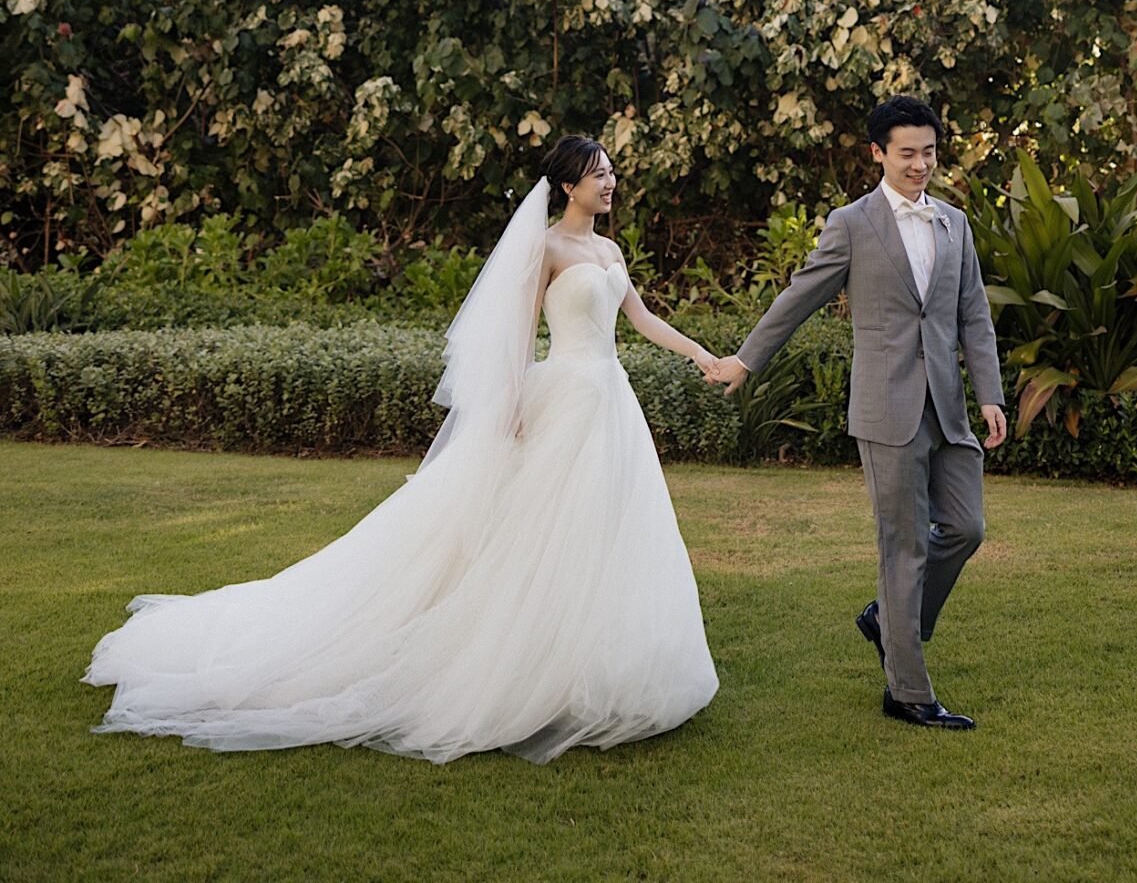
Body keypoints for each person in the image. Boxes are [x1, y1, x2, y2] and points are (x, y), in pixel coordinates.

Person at [83, 136, 720, 763]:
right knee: (535, 537)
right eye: (597, 174)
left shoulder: (608, 247)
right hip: (562, 399)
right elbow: (520, 334)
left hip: (608, 399)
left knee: (602, 534)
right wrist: (515, 404)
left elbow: (639, 317)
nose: (609, 182)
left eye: (611, 172)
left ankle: (591, 666)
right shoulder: (546, 245)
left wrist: (700, 354)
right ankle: (520, 667)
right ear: (566, 185)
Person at [707, 96, 1007, 730]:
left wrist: (989, 393)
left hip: (949, 411)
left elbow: (973, 315)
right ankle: (908, 691)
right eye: (907, 153)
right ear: (878, 153)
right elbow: (799, 297)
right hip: (886, 408)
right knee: (904, 549)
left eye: (928, 152)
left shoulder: (955, 224)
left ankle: (886, 620)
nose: (921, 164)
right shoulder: (852, 223)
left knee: (966, 528)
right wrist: (745, 360)